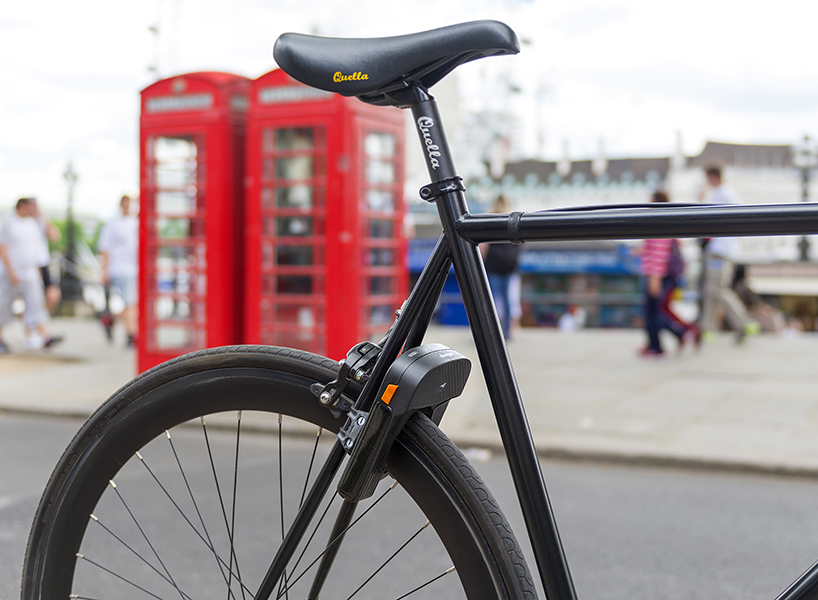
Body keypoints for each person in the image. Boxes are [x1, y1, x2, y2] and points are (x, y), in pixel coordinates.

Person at [699, 167, 760, 342]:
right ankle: (706, 329)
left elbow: (706, 218)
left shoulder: (722, 194)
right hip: (723, 251)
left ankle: (744, 322)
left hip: (719, 251)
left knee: (718, 289)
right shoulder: (726, 193)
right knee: (711, 290)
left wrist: (701, 198)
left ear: (713, 177)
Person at [639, 190, 700, 357]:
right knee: (655, 311)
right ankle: (668, 339)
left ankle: (658, 345)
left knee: (653, 311)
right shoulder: (664, 219)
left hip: (656, 274)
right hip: (657, 274)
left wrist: (655, 277)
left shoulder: (658, 221)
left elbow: (659, 253)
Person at [0, 198, 63, 352]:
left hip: (31, 273)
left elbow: (49, 240)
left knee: (36, 304)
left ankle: (44, 336)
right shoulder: (9, 223)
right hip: (10, 273)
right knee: (3, 306)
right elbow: (3, 247)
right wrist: (11, 271)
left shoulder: (33, 224)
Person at [98, 195, 139, 347]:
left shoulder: (136, 222)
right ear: (121, 205)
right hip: (120, 268)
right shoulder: (112, 224)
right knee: (130, 302)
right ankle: (131, 335)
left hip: (136, 268)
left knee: (133, 305)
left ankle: (111, 320)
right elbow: (105, 249)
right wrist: (104, 271)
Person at [481, 195, 522, 339]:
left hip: (493, 265)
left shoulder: (490, 219)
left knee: (491, 300)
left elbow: (484, 245)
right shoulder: (512, 219)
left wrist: (480, 263)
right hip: (509, 266)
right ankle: (507, 331)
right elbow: (522, 244)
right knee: (507, 299)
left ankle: (491, 332)